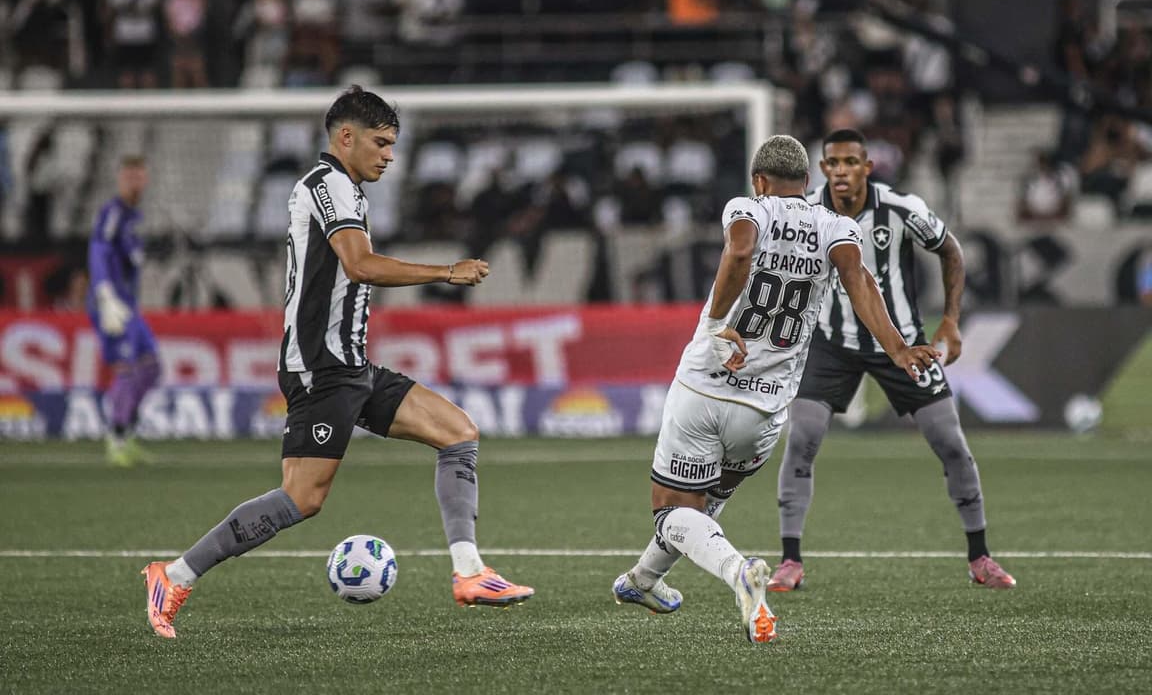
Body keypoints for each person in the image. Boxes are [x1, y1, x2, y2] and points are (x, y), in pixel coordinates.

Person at [140, 86, 534, 639]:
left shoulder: (347, 190)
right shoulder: (326, 185)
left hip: (351, 365)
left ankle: (470, 573)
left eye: (393, 145)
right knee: (302, 498)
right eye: (381, 143)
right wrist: (447, 271)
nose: (390, 156)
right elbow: (360, 265)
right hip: (320, 369)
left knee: (458, 433)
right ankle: (173, 575)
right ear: (346, 137)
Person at [611, 135, 940, 643]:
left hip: (705, 387)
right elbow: (859, 281)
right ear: (807, 182)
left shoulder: (748, 208)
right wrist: (897, 349)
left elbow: (741, 250)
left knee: (672, 511)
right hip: (764, 410)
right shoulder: (835, 226)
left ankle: (739, 573)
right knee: (704, 506)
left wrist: (716, 324)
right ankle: (642, 580)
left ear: (759, 181)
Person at [768, 128, 1017, 592]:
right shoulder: (806, 213)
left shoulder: (902, 208)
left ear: (867, 167)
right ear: (822, 169)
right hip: (830, 343)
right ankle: (790, 560)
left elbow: (950, 249)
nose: (841, 171)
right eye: (833, 163)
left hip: (901, 343)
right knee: (801, 439)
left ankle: (980, 556)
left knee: (951, 443)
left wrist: (950, 320)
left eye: (850, 162)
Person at [87, 155, 160, 468]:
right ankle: (116, 439)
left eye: (139, 176)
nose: (134, 182)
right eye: (129, 176)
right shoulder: (113, 212)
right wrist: (104, 292)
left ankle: (127, 431)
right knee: (126, 370)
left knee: (151, 366)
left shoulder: (134, 217)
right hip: (111, 304)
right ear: (120, 179)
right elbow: (99, 251)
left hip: (128, 305)